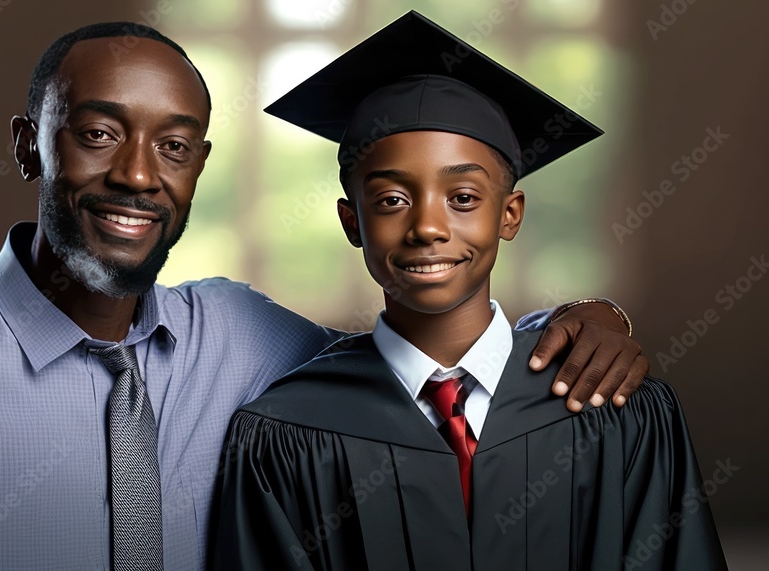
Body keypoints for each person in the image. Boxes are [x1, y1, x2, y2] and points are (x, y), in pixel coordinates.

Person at [0, 21, 648, 571]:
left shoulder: (243, 335)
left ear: (198, 168)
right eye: (96, 134)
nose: (135, 174)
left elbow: (419, 357)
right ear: (28, 147)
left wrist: (576, 324)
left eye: (174, 146)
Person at [211, 11, 727, 571]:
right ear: (351, 222)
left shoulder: (617, 407)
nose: (427, 227)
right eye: (390, 200)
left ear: (510, 215)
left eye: (463, 198)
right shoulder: (283, 432)